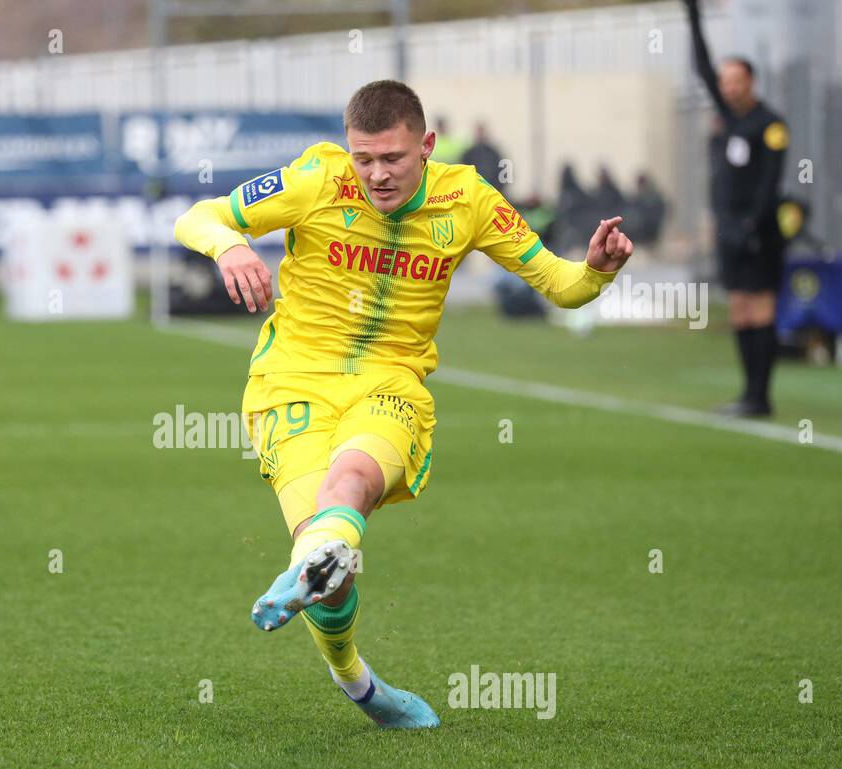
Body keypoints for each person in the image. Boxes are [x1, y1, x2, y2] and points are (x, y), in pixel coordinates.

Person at [174, 80, 632, 730]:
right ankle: (355, 679)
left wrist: (595, 270)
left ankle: (317, 562)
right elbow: (195, 215)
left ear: (427, 146)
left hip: (389, 385)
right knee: (330, 569)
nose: (377, 174)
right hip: (291, 385)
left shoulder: (466, 198)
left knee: (351, 483)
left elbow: (558, 284)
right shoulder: (315, 178)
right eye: (364, 159)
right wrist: (233, 245)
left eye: (392, 158)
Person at [684, 0, 789, 417]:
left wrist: (751, 224)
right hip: (730, 231)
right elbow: (702, 66)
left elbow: (770, 182)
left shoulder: (770, 124)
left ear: (751, 82)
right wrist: (692, 14)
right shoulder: (728, 119)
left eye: (735, 80)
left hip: (758, 232)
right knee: (741, 309)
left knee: (761, 306)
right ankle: (748, 393)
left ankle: (762, 396)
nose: (727, 87)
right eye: (724, 81)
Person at [460, 123, 503, 189]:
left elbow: (501, 170)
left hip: (491, 189)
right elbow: (463, 171)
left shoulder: (493, 153)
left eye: (482, 132)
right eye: (479, 132)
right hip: (474, 189)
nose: (480, 135)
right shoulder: (469, 153)